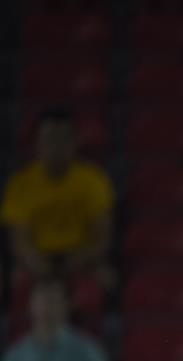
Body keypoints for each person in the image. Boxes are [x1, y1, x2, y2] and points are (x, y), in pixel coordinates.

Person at [2, 108, 115, 288]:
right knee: (11, 281)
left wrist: (73, 264)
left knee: (107, 280)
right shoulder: (20, 184)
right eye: (49, 139)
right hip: (38, 258)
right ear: (38, 143)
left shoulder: (94, 180)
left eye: (63, 138)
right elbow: (19, 240)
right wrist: (39, 266)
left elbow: (102, 238)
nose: (56, 145)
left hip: (80, 257)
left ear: (75, 142)